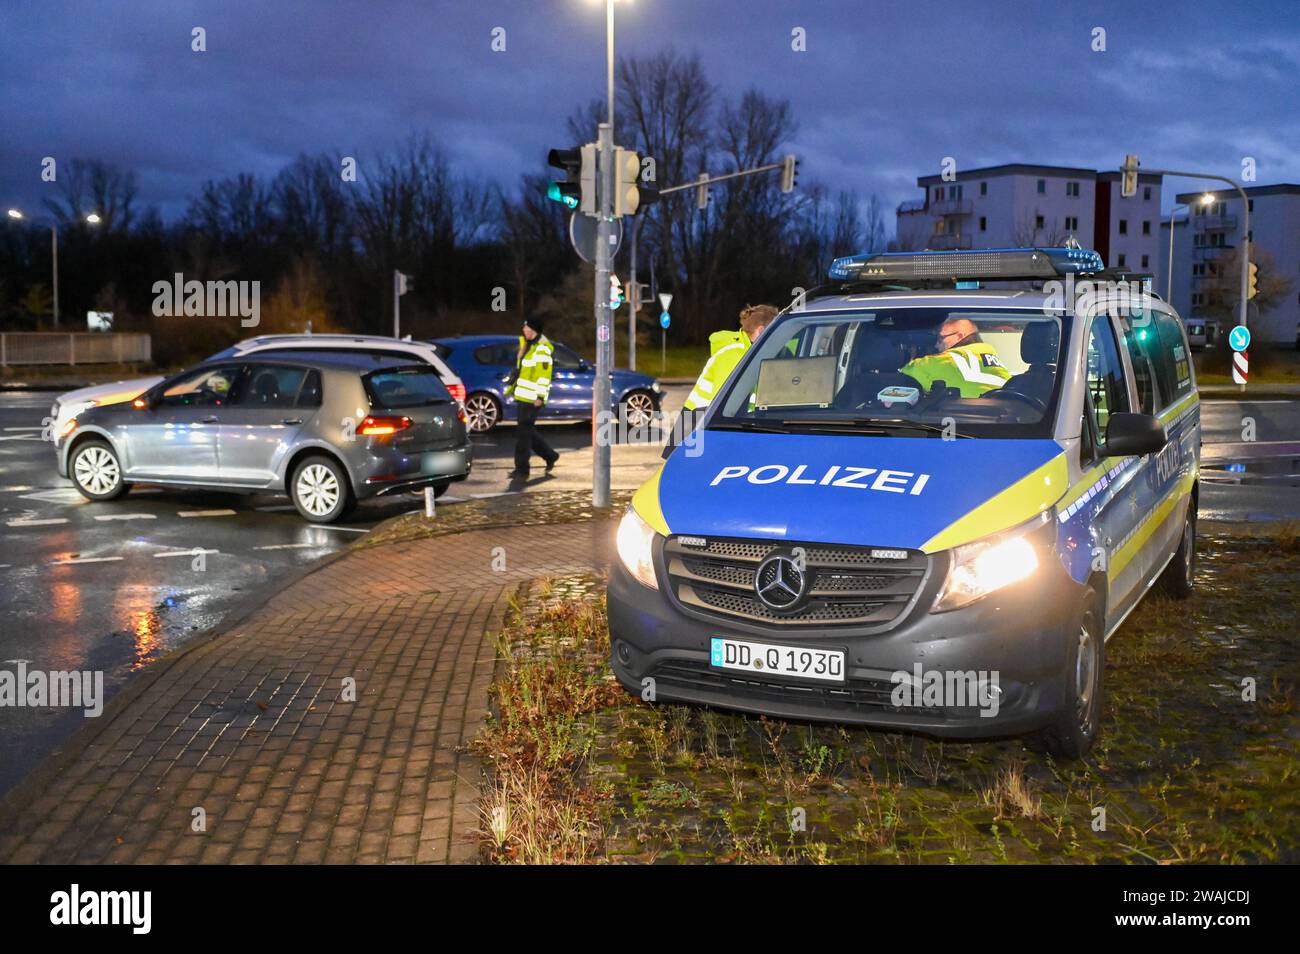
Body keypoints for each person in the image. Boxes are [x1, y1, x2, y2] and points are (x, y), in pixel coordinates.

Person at [683, 304, 779, 411]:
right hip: (697, 417)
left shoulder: (750, 352)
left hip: (710, 416)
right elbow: (727, 402)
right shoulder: (734, 354)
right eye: (776, 332)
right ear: (761, 331)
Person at [900, 317, 1011, 398]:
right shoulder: (993, 361)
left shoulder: (945, 361)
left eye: (940, 338)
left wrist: (910, 355)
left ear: (959, 336)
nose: (936, 345)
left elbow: (904, 374)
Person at [506, 316, 559, 479]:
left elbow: (544, 376)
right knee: (526, 431)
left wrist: (540, 397)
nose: (523, 330)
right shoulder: (527, 345)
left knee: (523, 434)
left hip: (532, 398)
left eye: (526, 327)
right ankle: (550, 455)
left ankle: (522, 469)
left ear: (533, 329)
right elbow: (523, 370)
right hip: (523, 395)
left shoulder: (542, 349)